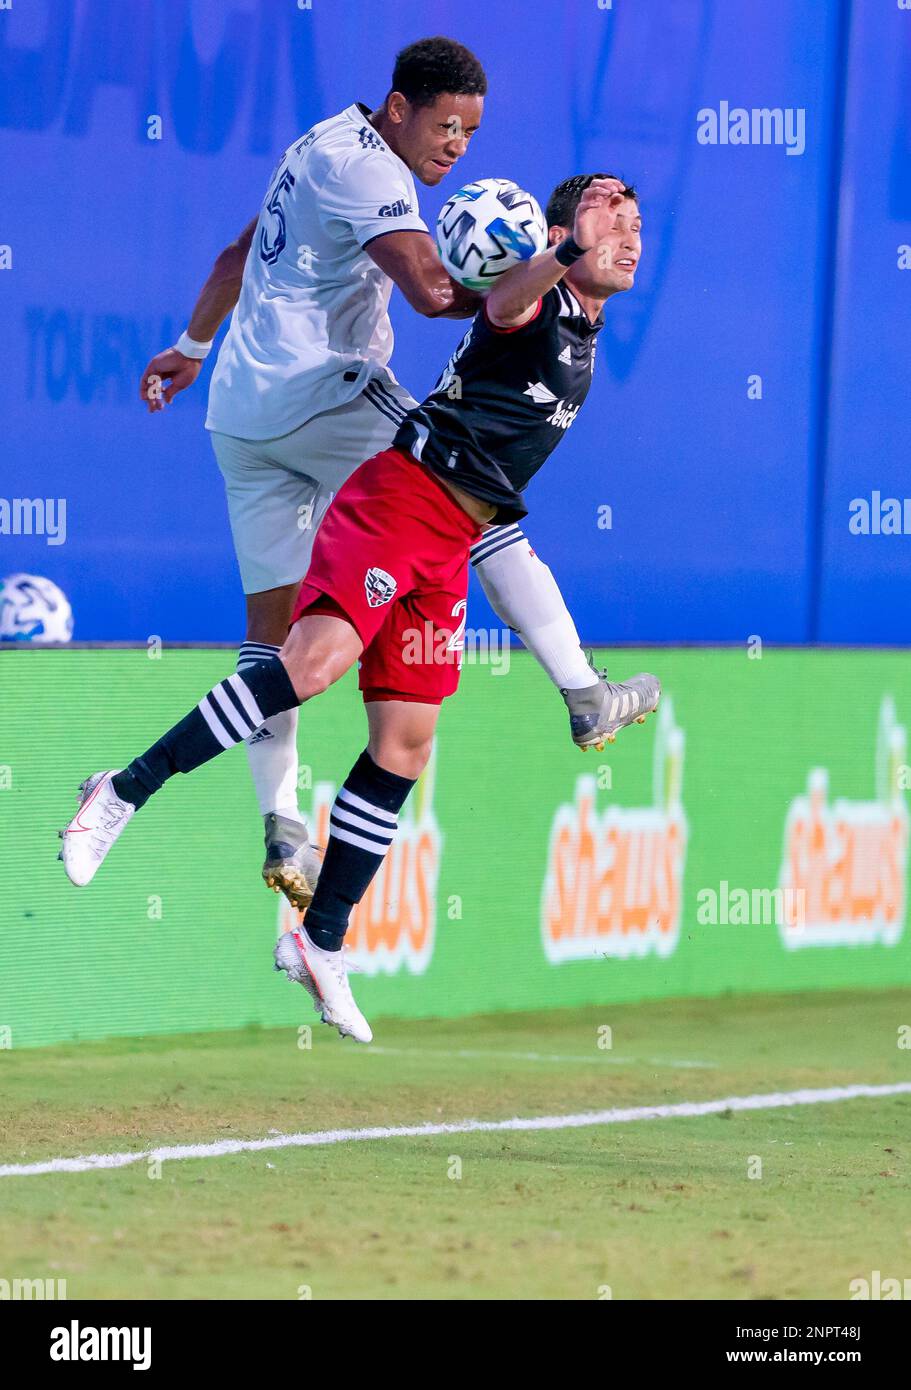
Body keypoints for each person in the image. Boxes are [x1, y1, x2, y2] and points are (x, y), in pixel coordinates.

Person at [64, 175, 658, 1044]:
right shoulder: (535, 298)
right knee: (308, 667)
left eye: (637, 221)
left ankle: (322, 942)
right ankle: (120, 791)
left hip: (452, 541)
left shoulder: (585, 329)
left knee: (406, 745)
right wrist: (559, 255)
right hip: (400, 500)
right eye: (609, 214)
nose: (628, 232)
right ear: (559, 230)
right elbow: (500, 304)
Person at [137, 37, 640, 915]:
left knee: (275, 634)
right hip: (326, 392)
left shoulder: (316, 150)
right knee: (469, 493)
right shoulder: (374, 177)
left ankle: (282, 819)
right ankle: (581, 689)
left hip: (242, 419)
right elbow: (436, 294)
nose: (456, 146)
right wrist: (533, 263)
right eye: (446, 125)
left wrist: (189, 346)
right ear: (399, 108)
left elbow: (236, 257)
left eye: (471, 133)